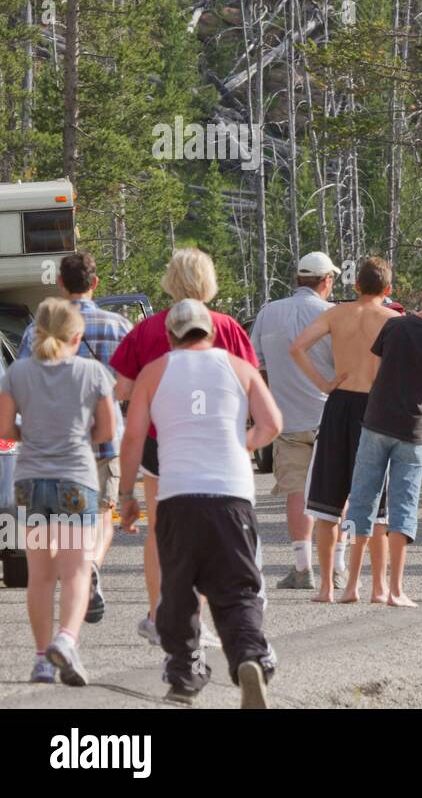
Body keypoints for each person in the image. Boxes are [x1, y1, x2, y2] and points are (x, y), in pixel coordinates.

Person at [118, 300, 282, 708]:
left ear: (171, 335)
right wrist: (242, 445)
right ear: (209, 331)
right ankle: (250, 658)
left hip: (178, 494)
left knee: (179, 588)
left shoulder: (154, 373)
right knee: (239, 588)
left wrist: (125, 495)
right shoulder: (239, 368)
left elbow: (133, 437)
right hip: (231, 494)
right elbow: (273, 424)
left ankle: (185, 673)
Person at [110, 248, 258, 646]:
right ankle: (195, 619)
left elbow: (121, 388)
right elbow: (251, 382)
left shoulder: (146, 329)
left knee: (160, 531)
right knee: (210, 533)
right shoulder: (226, 326)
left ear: (170, 280)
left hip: (161, 440)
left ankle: (160, 614)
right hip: (215, 444)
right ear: (208, 281)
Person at [0, 298, 116, 685]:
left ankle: (41, 660)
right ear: (76, 335)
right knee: (76, 568)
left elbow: (4, 428)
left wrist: (30, 435)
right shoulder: (92, 373)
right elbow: (105, 432)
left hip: (31, 482)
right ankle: (66, 640)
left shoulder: (17, 373)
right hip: (74, 481)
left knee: (41, 575)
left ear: (36, 333)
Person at [15, 252, 131, 625]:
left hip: (48, 448)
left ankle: (59, 584)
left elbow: (21, 375)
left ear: (60, 284)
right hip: (105, 442)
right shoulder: (118, 326)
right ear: (95, 284)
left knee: (48, 526)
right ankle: (89, 566)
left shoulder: (38, 330)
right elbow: (132, 383)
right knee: (102, 516)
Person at [342, 271, 422, 607]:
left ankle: (351, 585)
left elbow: (377, 374)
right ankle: (395, 590)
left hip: (376, 420)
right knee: (403, 506)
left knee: (362, 499)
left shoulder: (393, 325)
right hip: (411, 430)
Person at [289, 256, 399, 603]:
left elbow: (297, 348)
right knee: (376, 503)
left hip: (338, 404)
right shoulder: (393, 319)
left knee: (327, 500)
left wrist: (324, 382)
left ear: (355, 286)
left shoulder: (336, 313)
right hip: (375, 406)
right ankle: (378, 587)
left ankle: (326, 587)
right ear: (388, 289)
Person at [250, 251, 339, 590]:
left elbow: (256, 364)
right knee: (335, 491)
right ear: (326, 281)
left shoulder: (269, 313)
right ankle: (338, 565)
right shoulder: (333, 314)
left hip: (288, 419)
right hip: (329, 414)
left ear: (297, 279)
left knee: (296, 492)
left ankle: (303, 568)